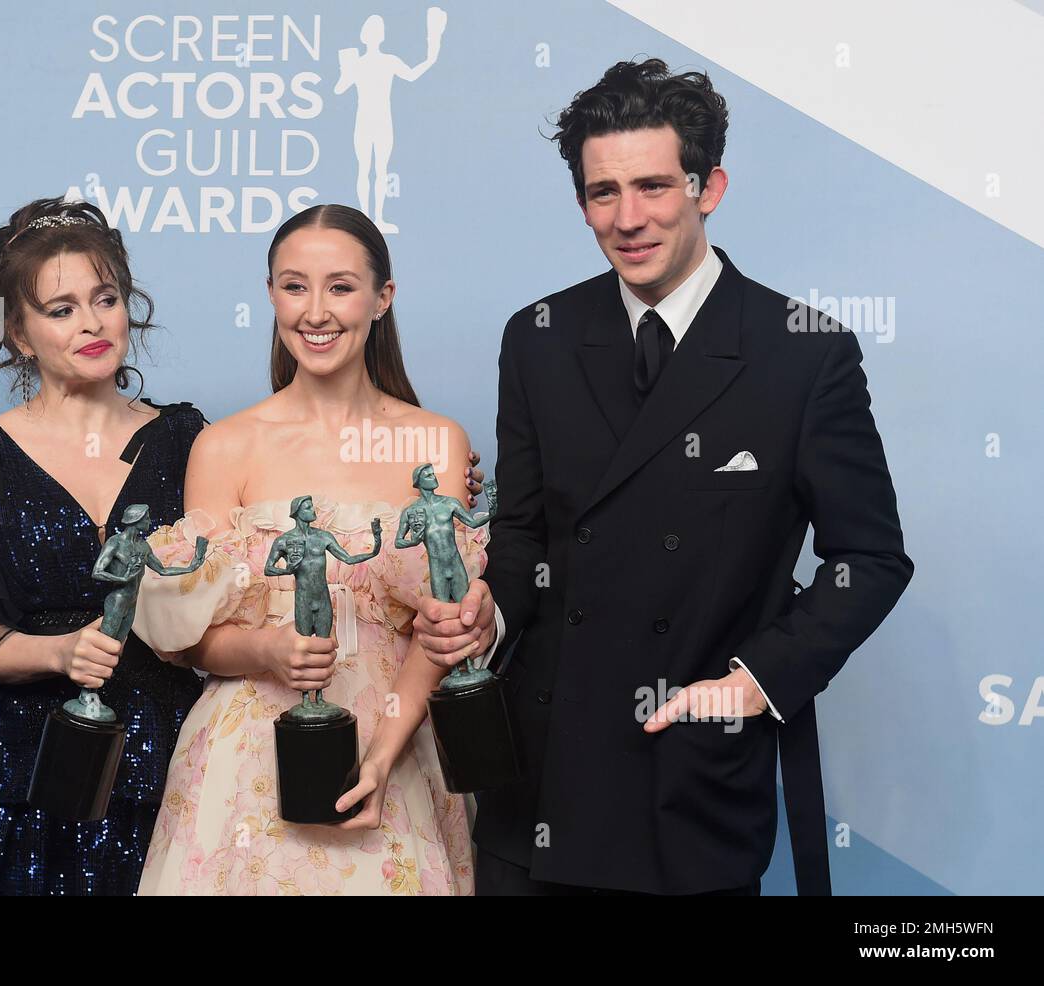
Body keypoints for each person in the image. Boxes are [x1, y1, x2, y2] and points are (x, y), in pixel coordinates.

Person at [412, 58, 915, 895]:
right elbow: (524, 533)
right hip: (537, 784)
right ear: (580, 202)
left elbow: (871, 558)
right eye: (603, 193)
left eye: (653, 186)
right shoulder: (538, 336)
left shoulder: (802, 351)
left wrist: (752, 686)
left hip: (684, 780)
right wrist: (484, 616)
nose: (628, 218)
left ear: (708, 186)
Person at [131, 204, 496, 895]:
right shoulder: (224, 446)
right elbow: (191, 639)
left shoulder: (435, 442)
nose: (316, 311)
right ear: (271, 294)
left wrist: (383, 755)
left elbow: (440, 622)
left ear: (382, 298)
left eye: (341, 286)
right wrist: (266, 652)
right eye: (295, 286)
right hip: (245, 758)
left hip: (393, 743)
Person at [0, 197, 207, 894]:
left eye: (106, 298)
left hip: (159, 760)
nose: (93, 322)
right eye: (61, 308)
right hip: (14, 770)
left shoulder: (189, 439)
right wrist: (60, 652)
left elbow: (256, 538)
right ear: (19, 333)